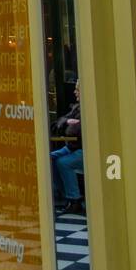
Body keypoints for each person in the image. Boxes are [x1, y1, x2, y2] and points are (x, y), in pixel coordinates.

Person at [51, 81, 85, 214]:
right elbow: (58, 123)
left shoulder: (87, 108)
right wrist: (67, 122)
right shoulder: (77, 108)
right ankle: (67, 195)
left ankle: (74, 199)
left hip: (82, 149)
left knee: (63, 163)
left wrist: (69, 125)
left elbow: (74, 131)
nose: (74, 92)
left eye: (78, 90)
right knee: (50, 158)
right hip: (72, 147)